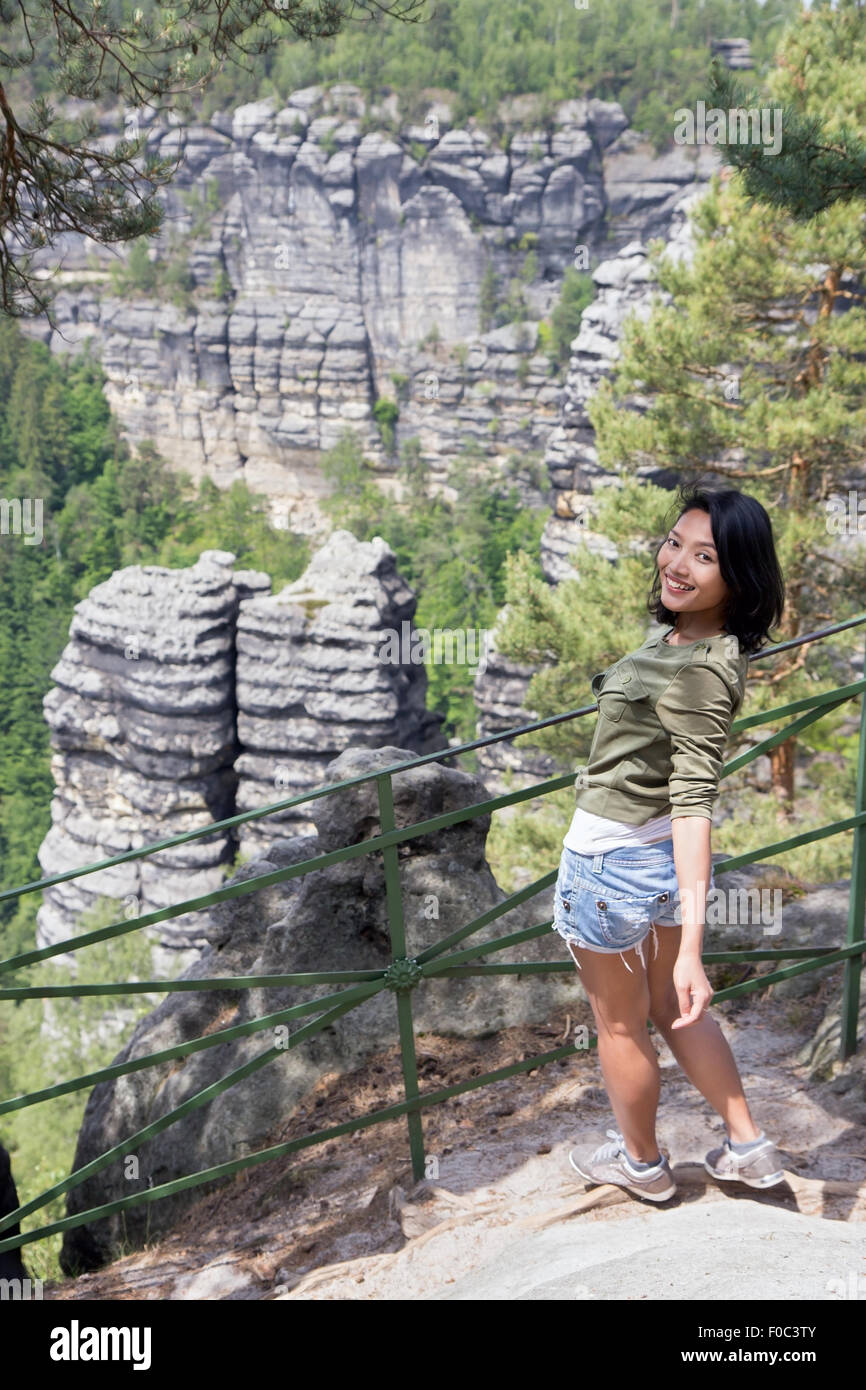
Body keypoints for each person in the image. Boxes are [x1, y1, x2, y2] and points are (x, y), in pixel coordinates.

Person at [553, 481, 787, 1202]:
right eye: (674, 543)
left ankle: (644, 1166)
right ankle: (748, 1146)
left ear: (738, 577)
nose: (677, 564)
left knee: (620, 1029)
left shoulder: (699, 672)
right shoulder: (691, 641)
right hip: (645, 858)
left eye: (704, 557)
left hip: (612, 864)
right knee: (676, 1009)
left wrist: (693, 946)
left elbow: (695, 805)